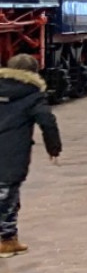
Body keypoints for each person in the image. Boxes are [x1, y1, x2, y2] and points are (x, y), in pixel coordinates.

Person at [0, 53, 61, 256]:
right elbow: (47, 121)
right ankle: (6, 240)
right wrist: (54, 148)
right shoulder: (33, 94)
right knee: (7, 195)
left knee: (7, 195)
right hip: (12, 151)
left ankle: (9, 238)